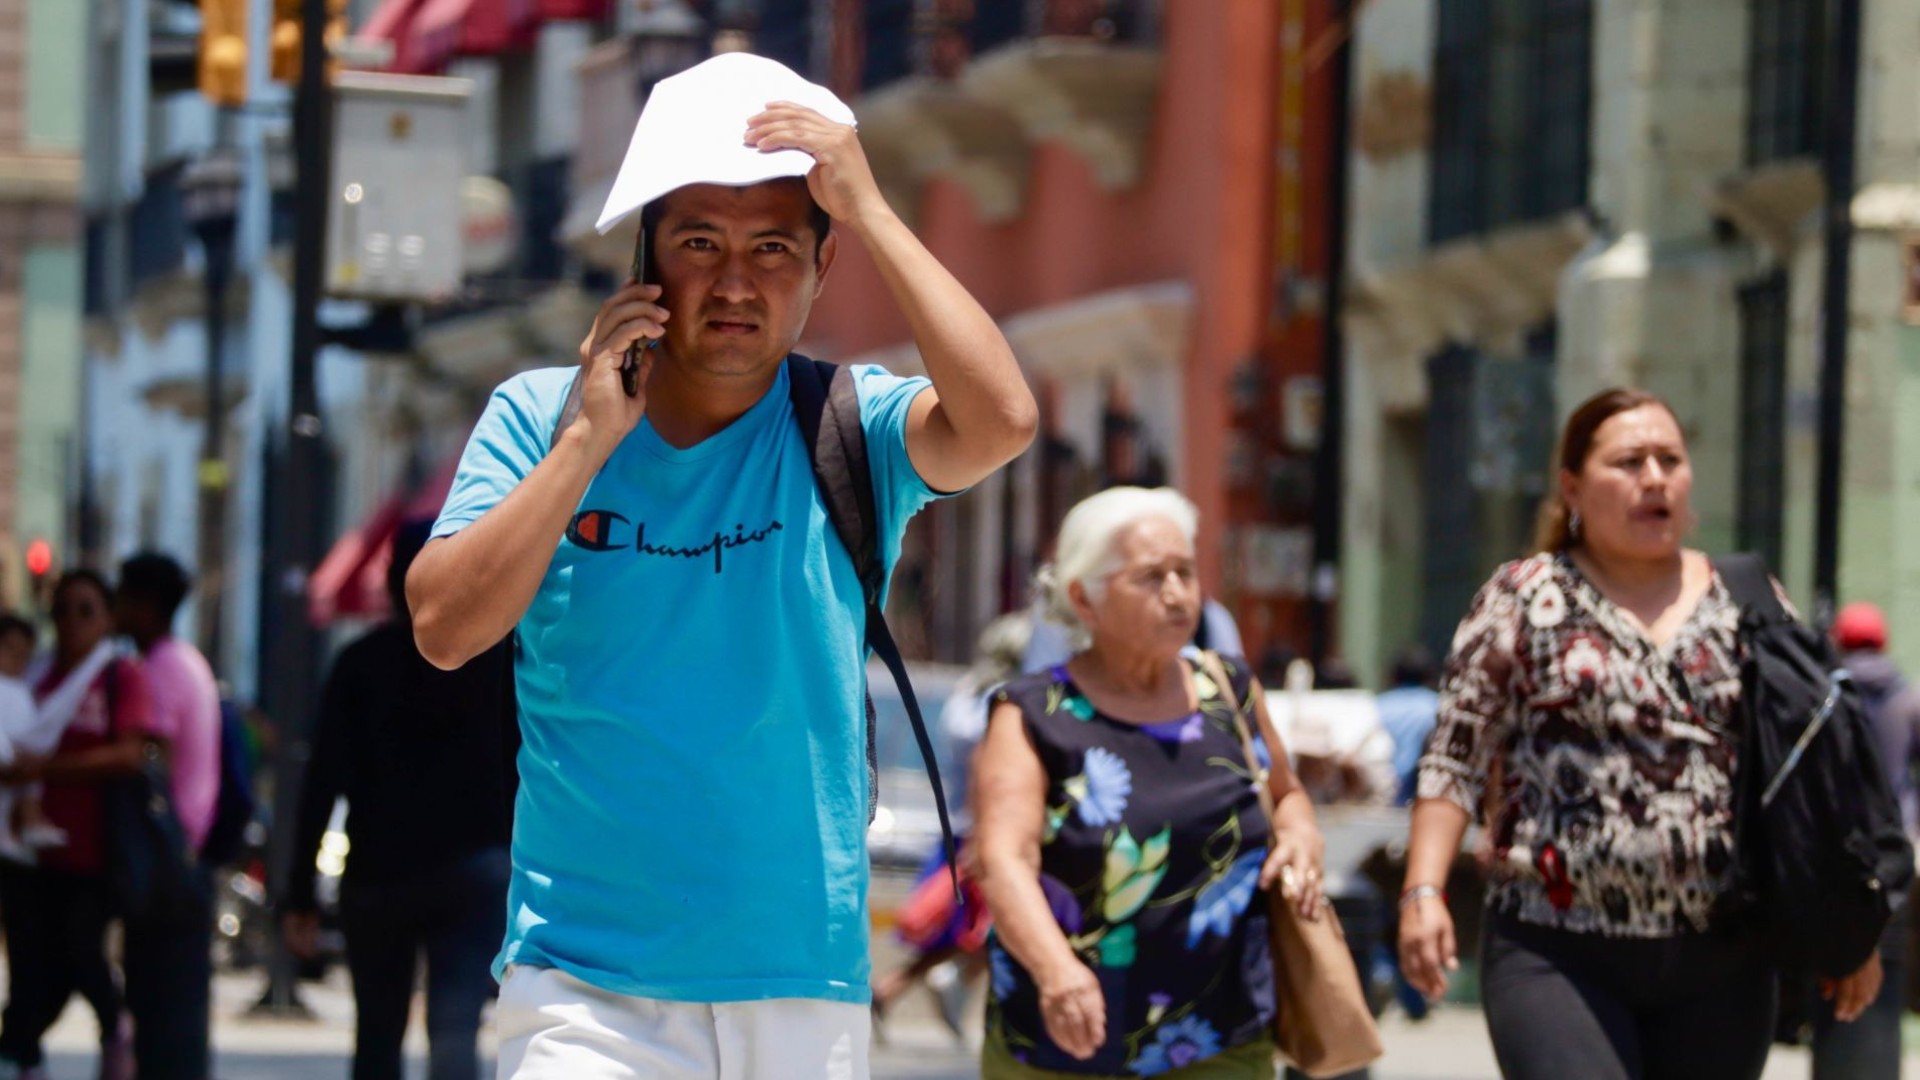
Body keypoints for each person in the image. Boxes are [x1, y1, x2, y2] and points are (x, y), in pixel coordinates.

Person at [405, 53, 1035, 1078]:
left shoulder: (846, 423)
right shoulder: (537, 415)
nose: (737, 281)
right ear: (645, 262)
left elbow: (1002, 421)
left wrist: (870, 209)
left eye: (776, 248)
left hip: (796, 982)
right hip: (583, 985)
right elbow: (443, 628)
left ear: (821, 267)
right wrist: (584, 445)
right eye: (700, 242)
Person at [1396, 388, 1882, 1080]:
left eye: (1670, 460)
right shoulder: (1523, 596)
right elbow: (1454, 756)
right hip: (1555, 949)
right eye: (1628, 461)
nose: (1654, 478)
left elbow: (1811, 770)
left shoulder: (1750, 597)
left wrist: (1847, 922)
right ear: (1571, 487)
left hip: (1723, 956)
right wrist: (1423, 891)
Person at [972, 486, 1325, 1078]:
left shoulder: (1228, 691)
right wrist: (1056, 970)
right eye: (1151, 577)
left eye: (1186, 572)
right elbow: (1003, 858)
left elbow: (1286, 797)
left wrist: (1301, 838)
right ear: (1084, 598)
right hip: (1067, 1034)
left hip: (1220, 1032)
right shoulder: (1033, 713)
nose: (1176, 594)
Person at [282, 519, 516, 1080]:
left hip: (379, 873)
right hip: (477, 867)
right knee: (456, 1028)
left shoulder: (360, 665)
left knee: (377, 1033)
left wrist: (299, 895)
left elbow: (322, 781)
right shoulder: (501, 659)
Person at [0, 572, 144, 1080]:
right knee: (34, 967)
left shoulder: (118, 676)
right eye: (62, 610)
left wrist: (46, 768)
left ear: (106, 619)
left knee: (84, 951)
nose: (72, 622)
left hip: (94, 851)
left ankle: (114, 1029)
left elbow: (129, 753)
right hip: (28, 854)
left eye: (86, 610)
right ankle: (20, 1051)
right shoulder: (34, 678)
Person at [871, 612, 1030, 1040]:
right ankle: (959, 990)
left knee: (963, 926)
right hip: (982, 828)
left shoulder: (965, 692)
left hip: (958, 824)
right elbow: (985, 768)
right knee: (985, 927)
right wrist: (985, 835)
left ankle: (911, 988)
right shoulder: (1003, 697)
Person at [113, 552, 221, 1080]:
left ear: (146, 605)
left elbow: (151, 761)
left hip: (164, 866)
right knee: (178, 1024)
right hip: (188, 860)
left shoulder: (155, 670)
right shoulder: (190, 662)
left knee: (159, 1024)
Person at [1803, 601, 1920, 1079]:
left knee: (1835, 952)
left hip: (1832, 852)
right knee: (1886, 955)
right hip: (1895, 851)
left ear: (1838, 640)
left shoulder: (1821, 694)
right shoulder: (1909, 699)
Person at [0, 612, 66, 860]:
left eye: (23, 653)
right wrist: (8, 754)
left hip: (21, 761)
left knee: (30, 785)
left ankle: (28, 821)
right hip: (8, 757)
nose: (16, 657)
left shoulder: (23, 690)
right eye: (9, 648)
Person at [1373, 645, 1439, 806]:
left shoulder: (1377, 706)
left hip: (1380, 795)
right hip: (1423, 796)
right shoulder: (1438, 707)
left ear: (1394, 677)